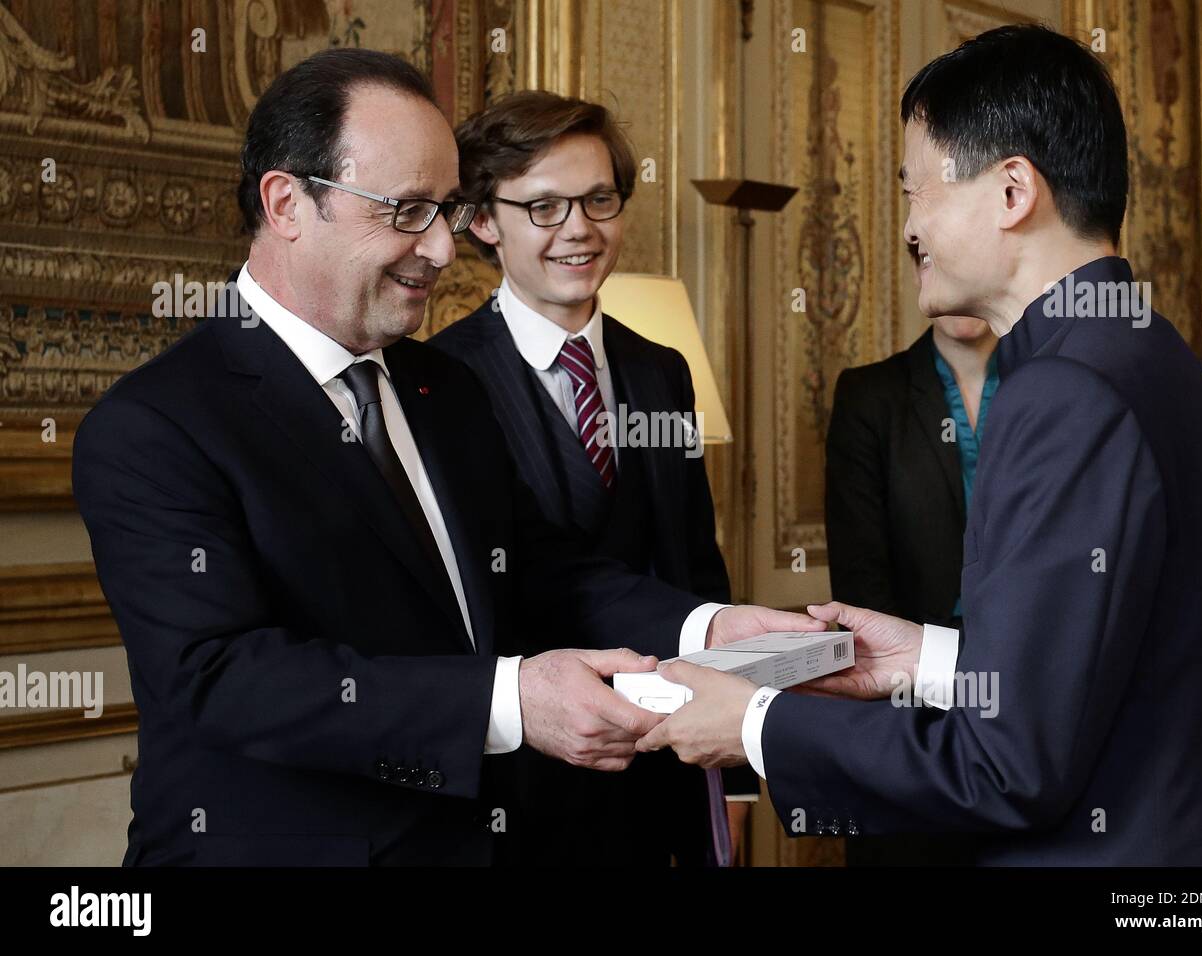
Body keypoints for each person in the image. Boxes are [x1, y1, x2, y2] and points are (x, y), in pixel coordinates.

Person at [72, 48, 817, 866]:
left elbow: (539, 570)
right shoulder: (154, 425)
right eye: (406, 211)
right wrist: (509, 701)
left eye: (447, 211)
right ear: (287, 202)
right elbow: (222, 677)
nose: (438, 249)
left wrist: (710, 625)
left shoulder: (443, 388)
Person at [640, 24, 1202, 865]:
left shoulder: (1063, 390)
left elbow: (1008, 767)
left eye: (915, 191)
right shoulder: (1152, 354)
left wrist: (755, 724)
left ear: (1013, 191)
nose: (907, 225)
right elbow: (1100, 677)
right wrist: (928, 660)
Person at [433, 90, 757, 866]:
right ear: (484, 222)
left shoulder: (663, 370)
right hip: (521, 794)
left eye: (598, 199)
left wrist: (735, 775)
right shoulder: (439, 381)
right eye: (542, 207)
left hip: (667, 769)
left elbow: (695, 565)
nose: (578, 228)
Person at [826, 295, 998, 866]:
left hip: (1030, 697)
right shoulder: (870, 395)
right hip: (908, 712)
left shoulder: (1052, 388)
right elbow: (861, 586)